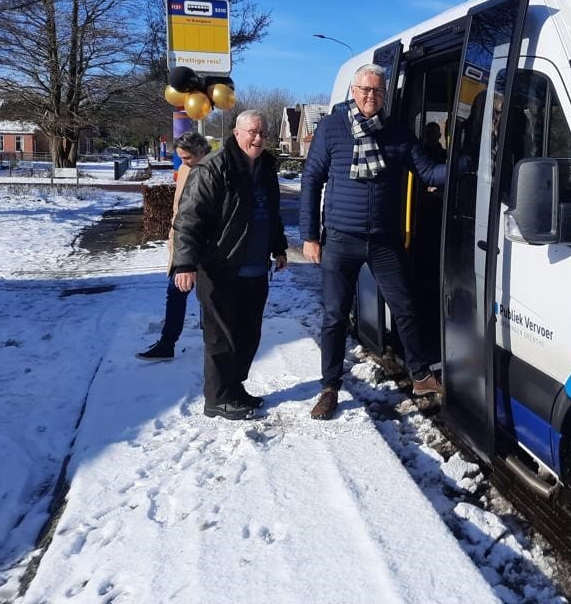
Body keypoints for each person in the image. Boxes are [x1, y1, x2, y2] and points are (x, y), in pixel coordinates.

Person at [300, 63, 447, 420]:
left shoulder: (397, 132)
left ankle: (420, 376)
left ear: (385, 95)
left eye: (378, 90)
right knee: (335, 316)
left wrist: (467, 165)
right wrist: (310, 236)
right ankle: (329, 388)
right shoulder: (332, 128)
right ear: (354, 91)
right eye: (365, 89)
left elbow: (427, 171)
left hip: (384, 240)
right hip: (340, 239)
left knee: (405, 307)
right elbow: (311, 180)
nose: (371, 96)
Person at [171, 111, 288, 421]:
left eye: (263, 133)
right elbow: (189, 219)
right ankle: (217, 398)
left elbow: (271, 212)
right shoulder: (213, 167)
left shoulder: (266, 167)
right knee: (220, 337)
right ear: (237, 133)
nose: (259, 138)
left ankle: (234, 388)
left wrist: (279, 248)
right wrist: (184, 264)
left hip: (255, 268)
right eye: (253, 132)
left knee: (248, 335)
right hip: (220, 267)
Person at [137, 131, 211, 361]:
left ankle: (215, 344)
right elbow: (179, 211)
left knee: (210, 297)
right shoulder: (186, 170)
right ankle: (167, 343)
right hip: (184, 245)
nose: (183, 162)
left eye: (187, 157)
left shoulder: (215, 170)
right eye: (180, 158)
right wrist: (173, 240)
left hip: (207, 247)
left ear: (201, 152)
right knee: (176, 293)